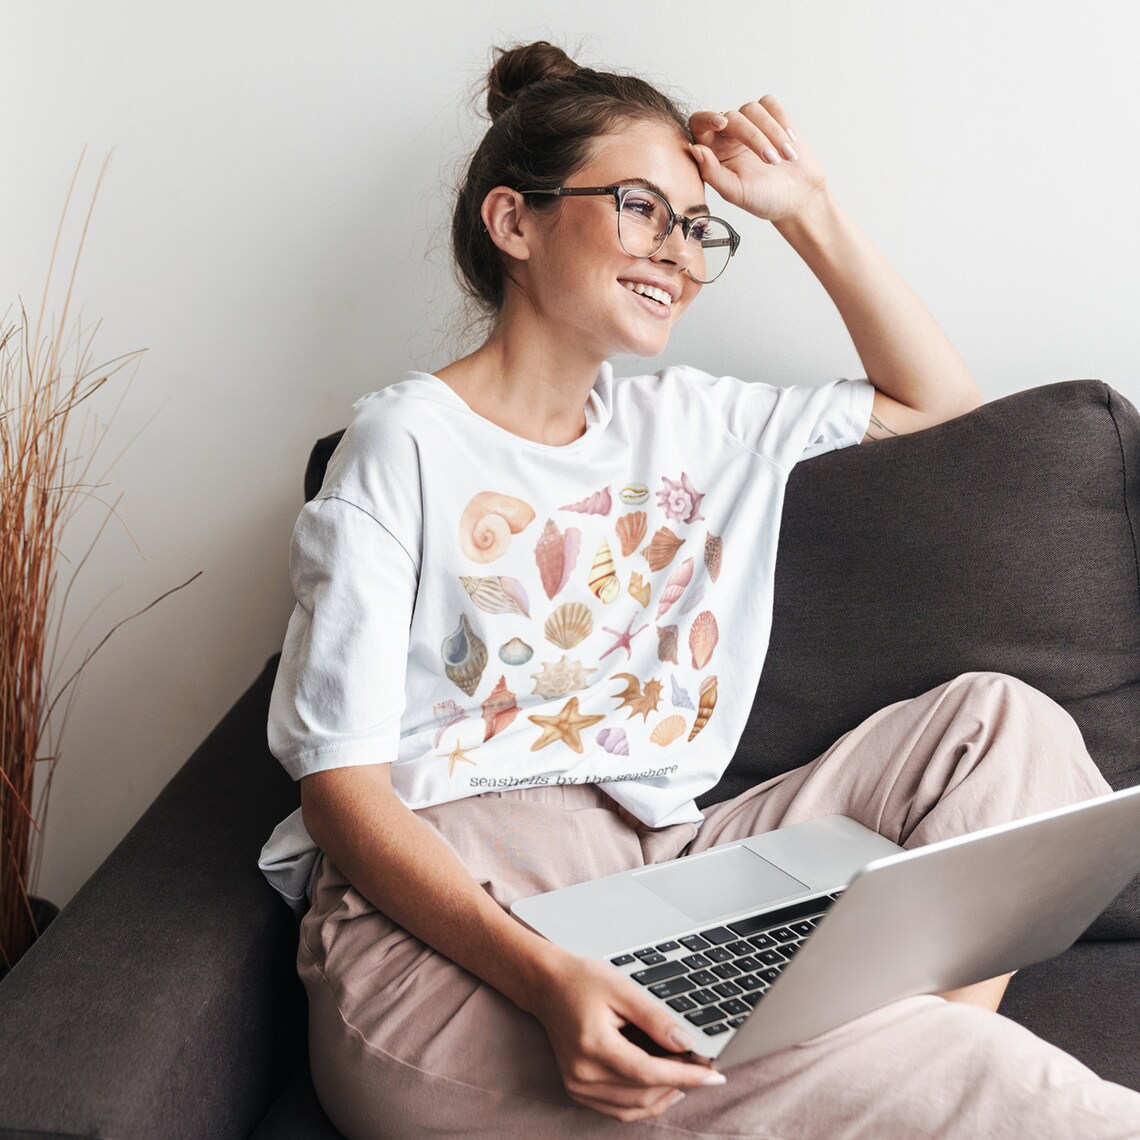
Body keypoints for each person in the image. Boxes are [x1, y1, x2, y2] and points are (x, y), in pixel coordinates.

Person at [261, 42, 1140, 1138]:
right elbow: (339, 791)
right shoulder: (402, 445)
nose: (678, 252)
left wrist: (805, 208)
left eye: (696, 226)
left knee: (1008, 725)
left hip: (657, 868)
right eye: (642, 210)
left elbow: (946, 415)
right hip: (447, 935)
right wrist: (546, 978)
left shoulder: (687, 420)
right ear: (515, 222)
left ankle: (896, 1063)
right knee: (989, 1087)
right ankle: (916, 1074)